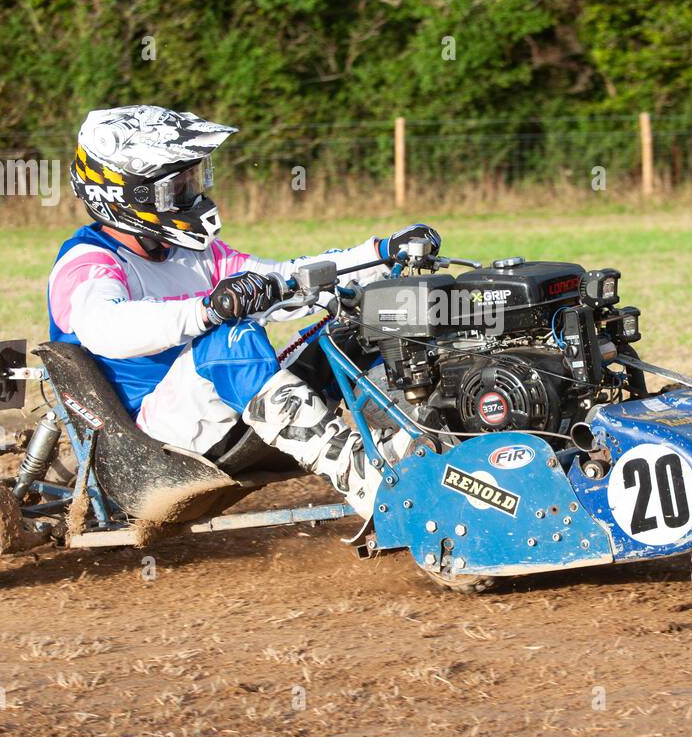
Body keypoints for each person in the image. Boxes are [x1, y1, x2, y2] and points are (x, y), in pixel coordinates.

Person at [48, 104, 437, 516]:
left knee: (351, 324)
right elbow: (107, 330)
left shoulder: (194, 253)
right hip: (151, 447)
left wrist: (378, 255)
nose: (192, 194)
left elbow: (285, 280)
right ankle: (363, 476)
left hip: (215, 410)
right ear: (126, 195)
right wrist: (207, 310)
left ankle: (417, 432)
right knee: (229, 337)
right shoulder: (88, 263)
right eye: (177, 188)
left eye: (193, 179)